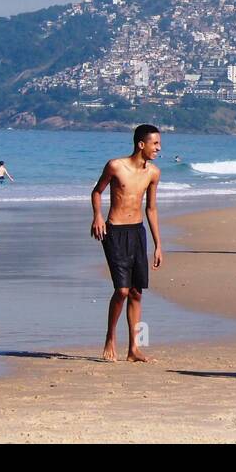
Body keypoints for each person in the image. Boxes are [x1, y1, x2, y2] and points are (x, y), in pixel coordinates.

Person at [90, 124, 164, 363]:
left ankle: (134, 348)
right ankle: (110, 337)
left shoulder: (153, 173)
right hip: (114, 231)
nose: (159, 148)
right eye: (155, 144)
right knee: (121, 290)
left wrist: (158, 245)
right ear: (141, 144)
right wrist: (98, 216)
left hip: (137, 232)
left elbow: (151, 209)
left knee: (136, 292)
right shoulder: (115, 166)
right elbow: (97, 191)